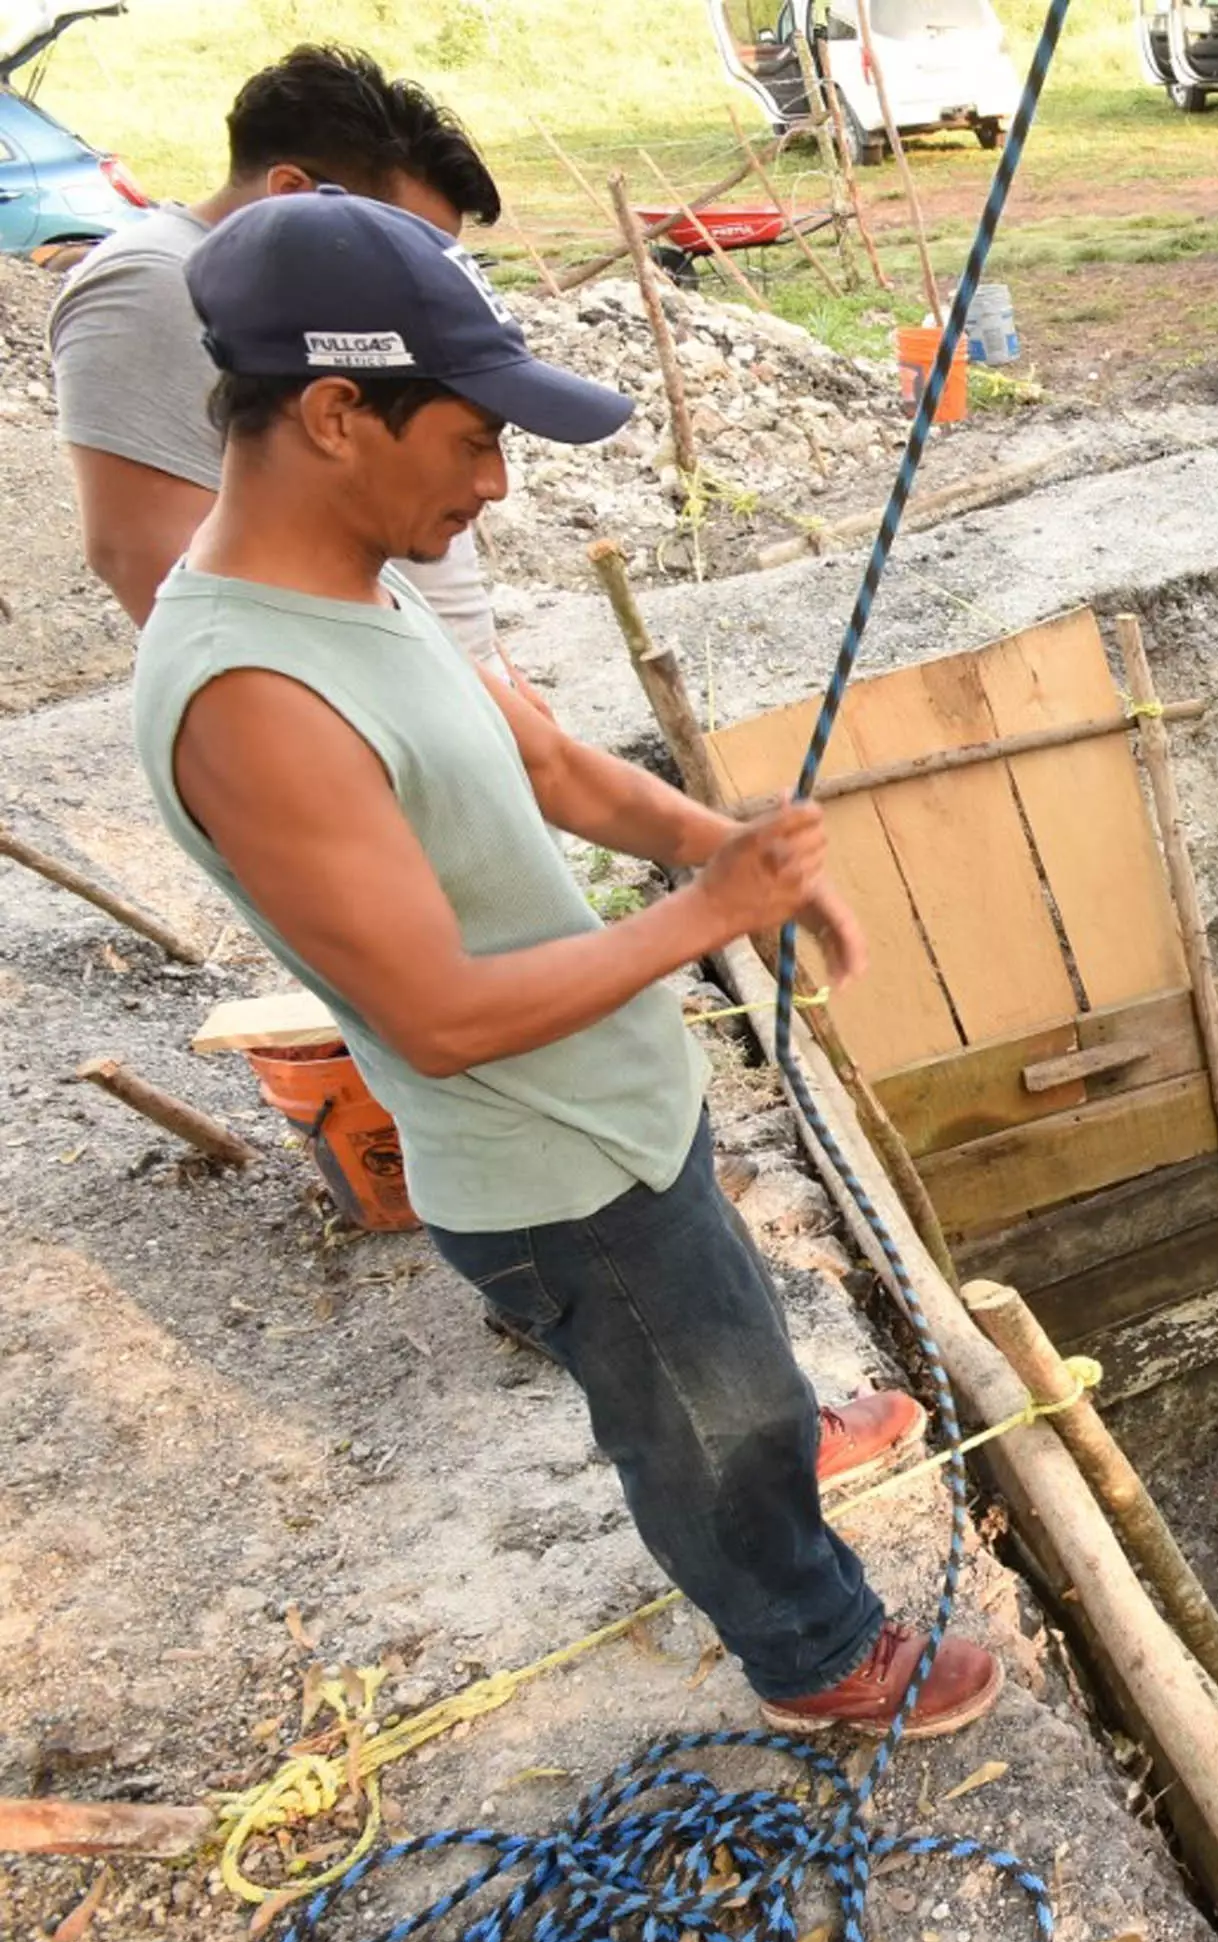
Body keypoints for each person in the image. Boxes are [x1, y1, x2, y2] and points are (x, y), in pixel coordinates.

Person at [129, 187, 1001, 1738]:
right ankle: (815, 1656)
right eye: (473, 438)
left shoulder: (356, 583)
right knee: (691, 1425)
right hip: (550, 1176)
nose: (498, 478)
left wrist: (727, 851)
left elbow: (549, 767)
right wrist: (706, 914)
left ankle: (777, 1430)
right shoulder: (251, 696)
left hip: (611, 1115)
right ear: (339, 412)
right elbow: (439, 1021)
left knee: (729, 1349)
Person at [51, 44, 528, 693]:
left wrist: (502, 697)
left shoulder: (307, 310)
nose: (416, 276)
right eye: (395, 242)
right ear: (291, 196)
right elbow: (146, 555)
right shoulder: (155, 286)